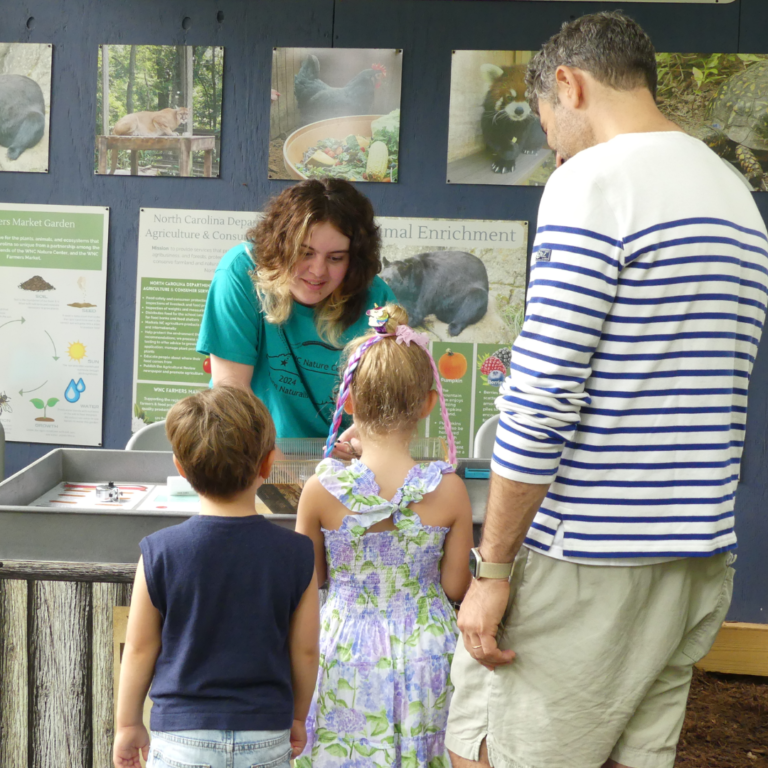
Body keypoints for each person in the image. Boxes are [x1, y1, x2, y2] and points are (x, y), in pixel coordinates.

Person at [446, 11, 768, 768]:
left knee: (487, 749)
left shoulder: (593, 180)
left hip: (588, 554)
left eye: (546, 126)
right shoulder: (734, 194)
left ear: (569, 84)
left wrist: (493, 571)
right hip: (696, 552)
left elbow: (542, 395)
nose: (553, 148)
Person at [294, 303, 474, 768]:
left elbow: (310, 580)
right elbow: (456, 587)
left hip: (345, 648)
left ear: (349, 402)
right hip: (428, 653)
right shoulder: (449, 490)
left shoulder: (321, 489)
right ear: (429, 404)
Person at [113, 387, 319, 768]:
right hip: (265, 734)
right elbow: (305, 651)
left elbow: (140, 649)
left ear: (181, 468)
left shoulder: (159, 553)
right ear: (268, 464)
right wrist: (298, 717)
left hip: (181, 738)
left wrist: (128, 724)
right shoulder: (297, 554)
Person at [196, 178, 396, 454]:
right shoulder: (240, 272)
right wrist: (272, 464)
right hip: (256, 447)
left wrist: (368, 434)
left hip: (345, 456)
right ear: (279, 247)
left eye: (336, 258)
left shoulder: (377, 298)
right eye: (304, 253)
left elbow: (391, 399)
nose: (318, 271)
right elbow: (231, 391)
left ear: (354, 260)